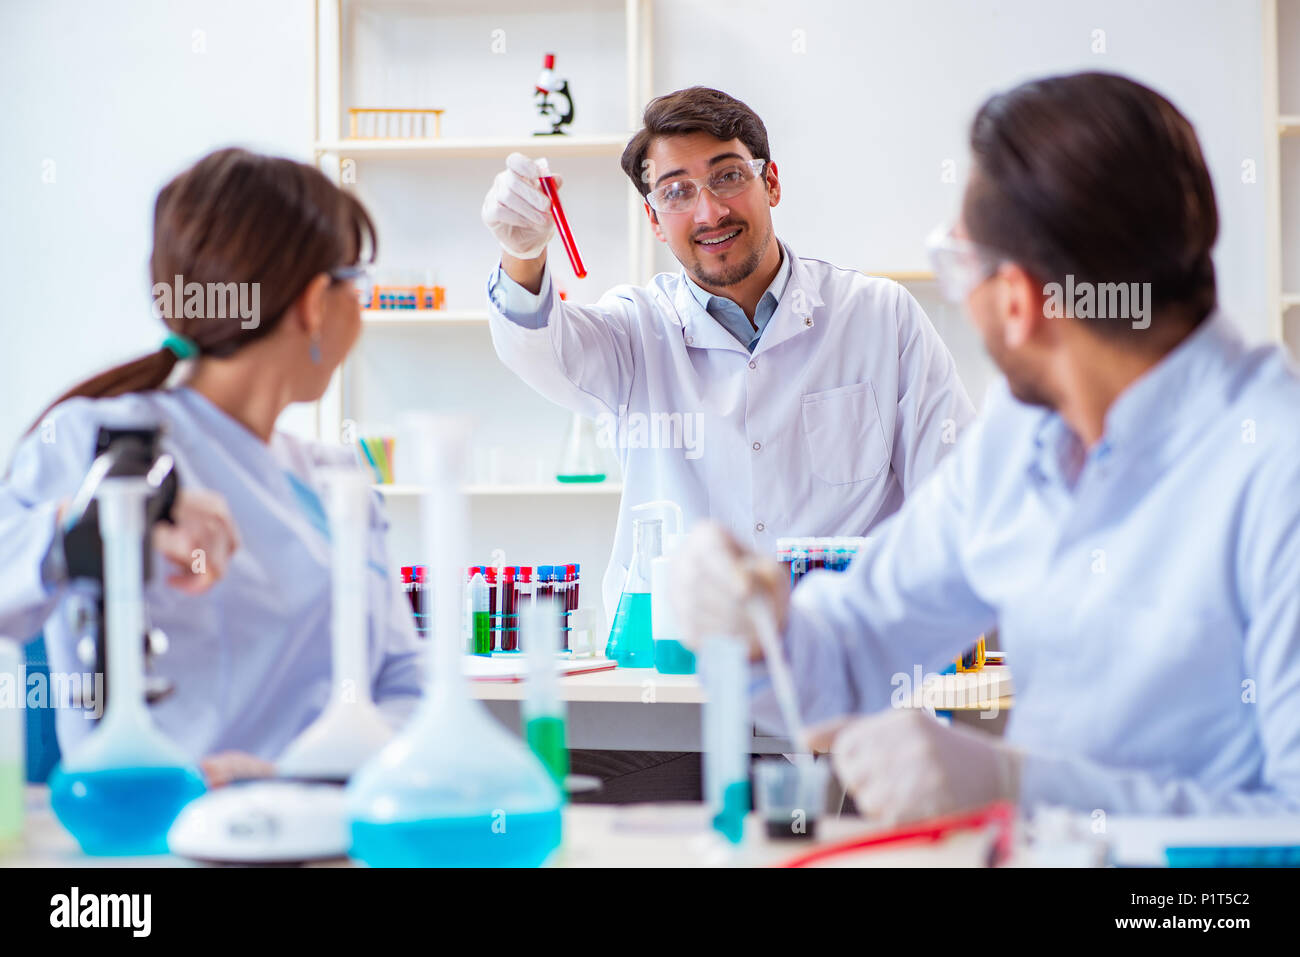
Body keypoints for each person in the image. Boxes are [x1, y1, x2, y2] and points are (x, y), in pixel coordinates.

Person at [672, 72, 1300, 821]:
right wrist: (751, 631)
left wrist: (1023, 792)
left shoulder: (1274, 471)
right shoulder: (1023, 435)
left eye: (958, 265)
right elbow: (858, 649)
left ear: (1018, 301)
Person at [480, 86, 974, 801]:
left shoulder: (878, 316)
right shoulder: (634, 332)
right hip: (672, 690)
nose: (708, 211)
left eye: (728, 176)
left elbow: (950, 497)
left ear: (770, 181)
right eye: (677, 191)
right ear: (653, 218)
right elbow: (540, 347)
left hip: (838, 687)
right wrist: (522, 257)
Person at [0, 148, 424, 778]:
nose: (359, 311)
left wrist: (292, 775)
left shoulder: (335, 479)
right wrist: (96, 520)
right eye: (354, 286)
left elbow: (404, 684)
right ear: (314, 302)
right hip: (153, 844)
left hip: (327, 831)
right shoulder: (100, 442)